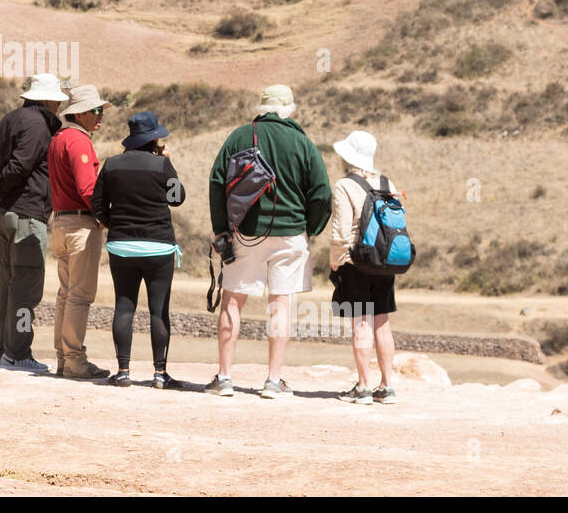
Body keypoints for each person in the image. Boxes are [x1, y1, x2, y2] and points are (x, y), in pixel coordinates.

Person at [206, 84, 331, 399]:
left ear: (262, 108)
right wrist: (310, 228)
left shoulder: (239, 135)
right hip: (290, 235)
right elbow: (321, 193)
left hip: (245, 233)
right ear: (290, 109)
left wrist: (221, 229)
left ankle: (224, 377)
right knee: (281, 305)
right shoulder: (303, 143)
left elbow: (217, 181)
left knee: (232, 300)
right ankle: (273, 381)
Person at [0, 73, 65, 373]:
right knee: (26, 286)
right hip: (27, 214)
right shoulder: (39, 125)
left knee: (9, 285)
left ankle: (2, 351)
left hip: (4, 216)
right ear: (50, 100)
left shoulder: (8, 121)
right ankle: (18, 352)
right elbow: (18, 167)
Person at [91, 111, 186, 389]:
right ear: (154, 139)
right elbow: (177, 198)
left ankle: (122, 371)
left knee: (124, 305)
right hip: (158, 246)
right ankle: (160, 374)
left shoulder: (112, 165)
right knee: (159, 310)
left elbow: (97, 206)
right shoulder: (161, 166)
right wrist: (169, 164)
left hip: (121, 246)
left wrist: (116, 226)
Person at [329, 130, 403, 405]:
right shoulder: (387, 181)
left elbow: (341, 230)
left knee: (361, 324)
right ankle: (387, 386)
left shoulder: (345, 185)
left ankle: (362, 387)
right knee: (382, 323)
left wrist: (335, 261)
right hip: (385, 261)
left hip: (356, 262)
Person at [47, 84, 113, 380]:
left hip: (60, 221)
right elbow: (88, 188)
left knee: (66, 294)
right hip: (80, 224)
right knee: (79, 297)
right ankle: (74, 359)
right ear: (82, 113)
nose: (101, 116)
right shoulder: (78, 141)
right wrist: (106, 218)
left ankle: (63, 358)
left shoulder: (59, 138)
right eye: (97, 111)